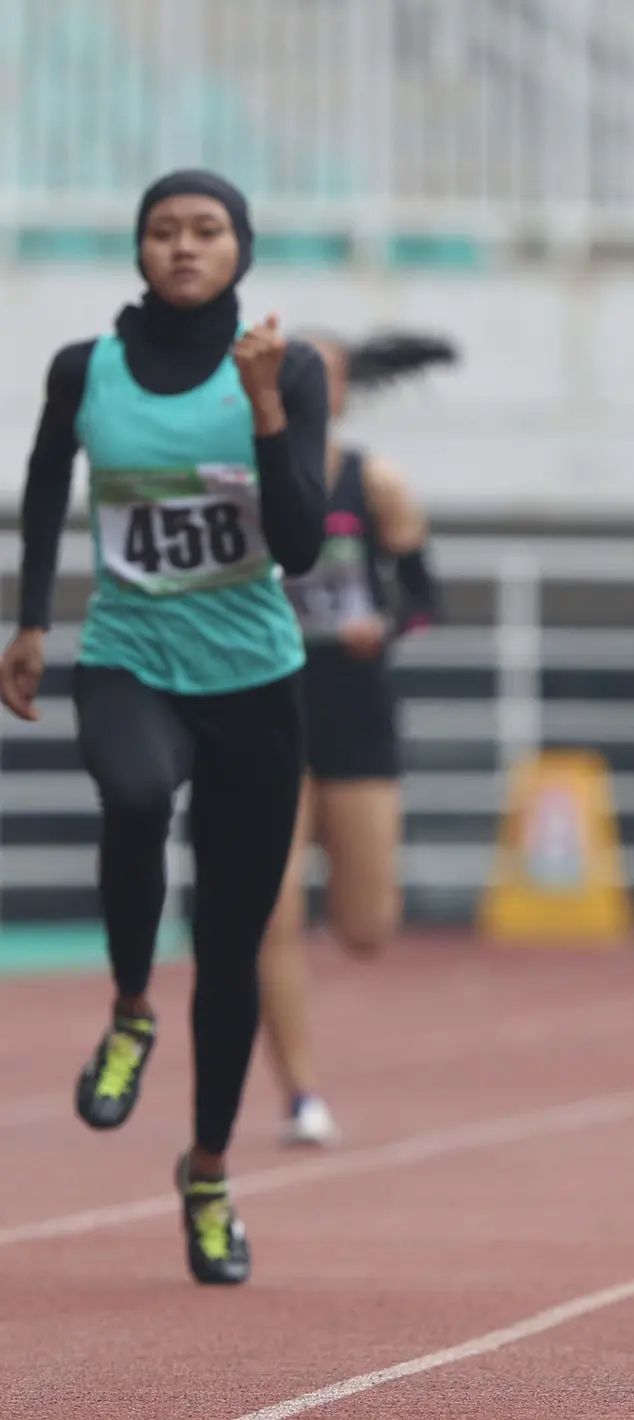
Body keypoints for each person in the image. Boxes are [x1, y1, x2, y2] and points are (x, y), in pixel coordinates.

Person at [3, 170, 329, 1285]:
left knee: (233, 950)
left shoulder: (284, 367)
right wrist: (32, 619)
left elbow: (298, 550)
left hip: (252, 679)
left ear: (242, 246)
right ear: (139, 249)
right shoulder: (81, 370)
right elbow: (46, 482)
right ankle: (133, 1005)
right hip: (131, 656)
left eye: (206, 231)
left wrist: (271, 409)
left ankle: (207, 1171)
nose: (184, 247)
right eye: (163, 231)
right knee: (136, 796)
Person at [257, 331, 452, 1147]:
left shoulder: (375, 481)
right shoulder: (243, 478)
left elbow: (424, 598)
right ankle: (300, 1093)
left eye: (324, 376)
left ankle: (353, 919)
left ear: (342, 391)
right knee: (267, 916)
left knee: (366, 925)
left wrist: (387, 625)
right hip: (262, 702)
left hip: (353, 699)